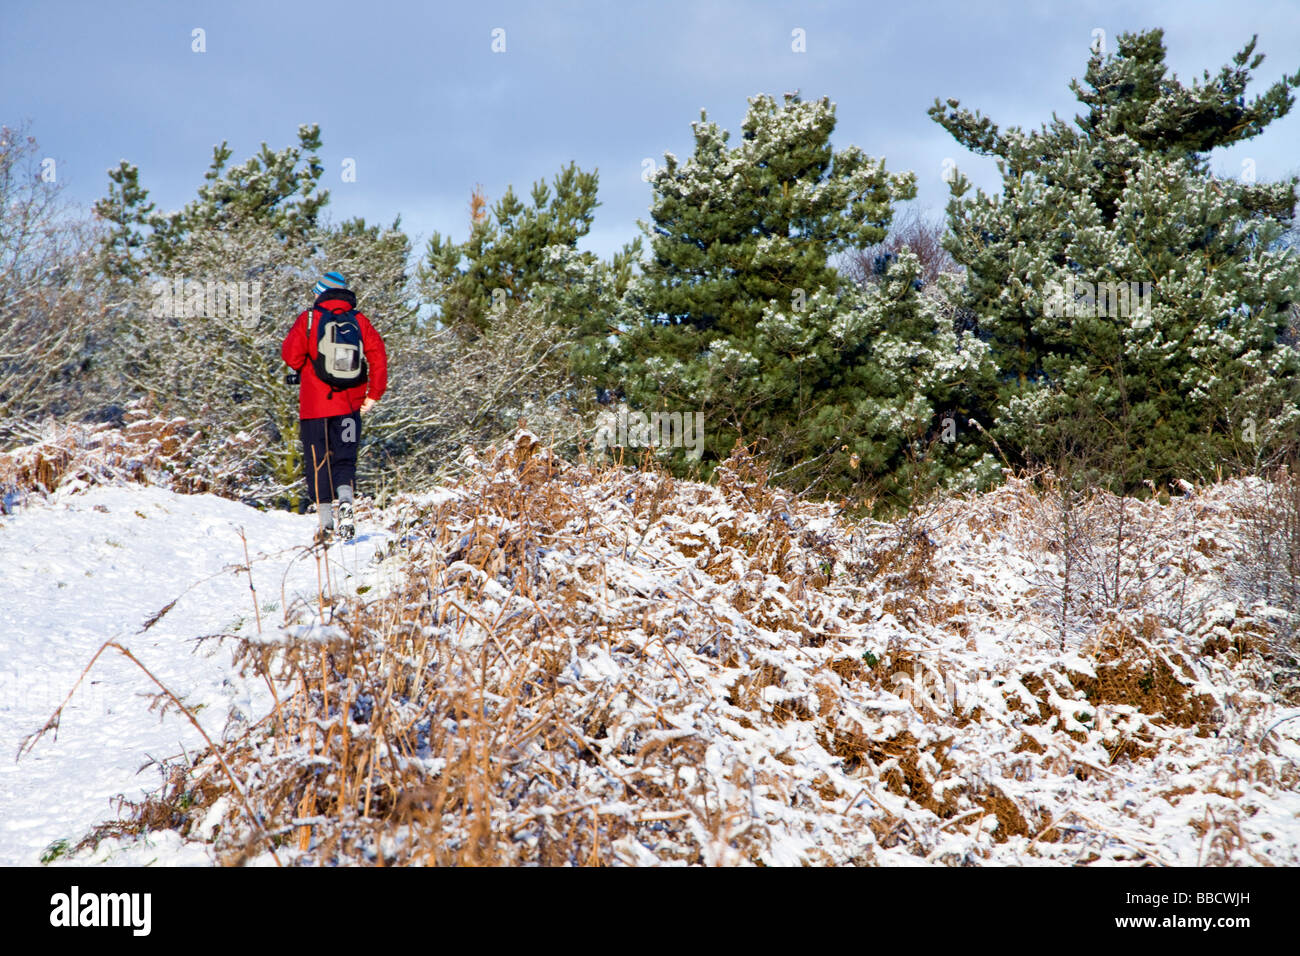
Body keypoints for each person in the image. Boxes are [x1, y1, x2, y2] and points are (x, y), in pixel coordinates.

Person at [281, 271, 387, 542]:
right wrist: (373, 395)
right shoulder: (360, 321)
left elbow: (291, 357)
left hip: (314, 409)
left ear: (320, 293)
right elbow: (379, 357)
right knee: (345, 459)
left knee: (318, 462)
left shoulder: (309, 318)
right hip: (350, 406)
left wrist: (306, 364)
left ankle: (326, 523)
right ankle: (346, 500)